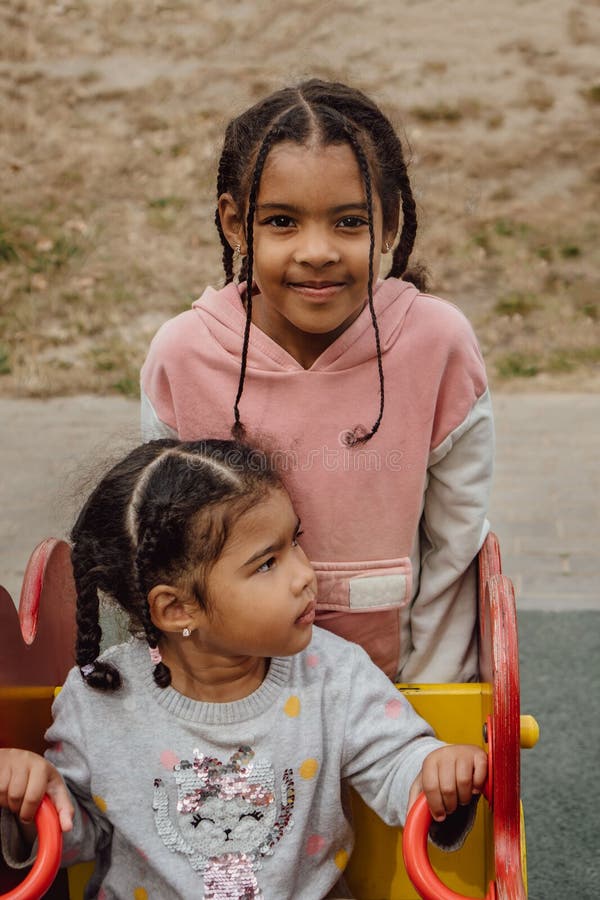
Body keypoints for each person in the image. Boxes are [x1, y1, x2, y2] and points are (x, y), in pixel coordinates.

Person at [0, 439, 487, 899]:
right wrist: (28, 803)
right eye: (267, 564)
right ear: (175, 611)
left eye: (294, 542)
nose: (304, 574)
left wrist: (434, 771)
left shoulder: (331, 672)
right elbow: (70, 837)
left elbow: (394, 765)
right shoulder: (99, 700)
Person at [140, 79, 494, 685]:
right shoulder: (184, 356)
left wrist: (429, 706)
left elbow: (456, 547)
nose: (317, 251)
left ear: (388, 226)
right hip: (233, 700)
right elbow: (158, 551)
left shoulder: (438, 347)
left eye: (349, 222)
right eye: (281, 221)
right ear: (234, 223)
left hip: (397, 696)